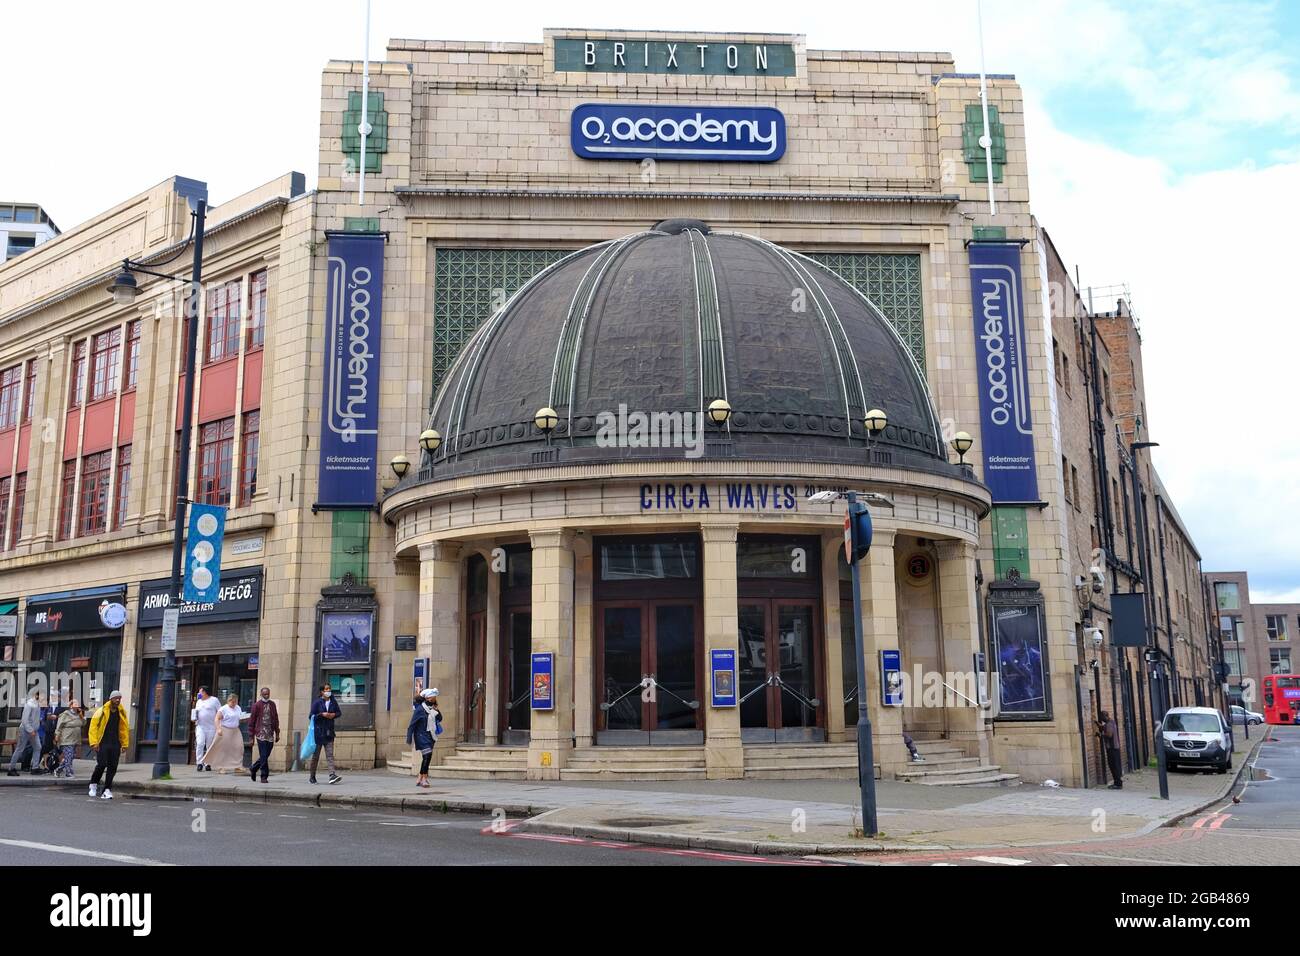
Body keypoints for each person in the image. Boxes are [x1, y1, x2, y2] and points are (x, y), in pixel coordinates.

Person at [88, 690, 130, 800]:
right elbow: (93, 727)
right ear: (111, 699)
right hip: (102, 742)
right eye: (116, 698)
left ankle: (107, 789)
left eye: (119, 698)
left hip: (115, 743)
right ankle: (93, 784)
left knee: (113, 767)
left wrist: (125, 744)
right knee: (101, 764)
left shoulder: (122, 712)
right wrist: (94, 742)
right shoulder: (101, 711)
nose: (118, 700)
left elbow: (124, 729)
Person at [201, 694, 248, 773]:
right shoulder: (223, 709)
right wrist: (218, 729)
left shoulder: (238, 708)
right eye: (232, 702)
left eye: (235, 702)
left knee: (238, 748)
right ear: (228, 701)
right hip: (225, 729)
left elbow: (239, 718)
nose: (234, 704)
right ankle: (220, 767)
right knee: (223, 749)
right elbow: (217, 719)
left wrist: (244, 719)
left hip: (235, 730)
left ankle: (238, 766)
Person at [406, 687, 442, 789]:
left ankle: (420, 776)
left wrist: (437, 711)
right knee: (427, 755)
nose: (434, 699)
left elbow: (440, 719)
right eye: (433, 697)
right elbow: (412, 724)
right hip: (421, 736)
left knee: (427, 757)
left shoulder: (433, 708)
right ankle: (425, 779)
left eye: (435, 697)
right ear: (428, 698)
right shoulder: (420, 710)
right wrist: (409, 738)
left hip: (431, 736)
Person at [308, 684, 342, 785]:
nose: (329, 691)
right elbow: (311, 716)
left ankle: (332, 775)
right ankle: (312, 777)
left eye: (330, 689)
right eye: (327, 689)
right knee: (316, 756)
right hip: (318, 733)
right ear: (322, 692)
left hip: (329, 732)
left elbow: (339, 713)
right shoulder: (317, 702)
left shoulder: (333, 701)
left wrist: (333, 715)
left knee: (330, 755)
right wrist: (321, 714)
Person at [247, 687, 280, 783]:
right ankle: (264, 776)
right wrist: (251, 737)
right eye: (264, 694)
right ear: (261, 694)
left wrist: (277, 733)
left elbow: (276, 719)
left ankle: (253, 768)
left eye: (268, 694)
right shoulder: (256, 705)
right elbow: (252, 721)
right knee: (264, 754)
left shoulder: (272, 704)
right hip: (260, 733)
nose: (266, 696)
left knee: (266, 754)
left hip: (270, 733)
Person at [6, 690, 42, 776]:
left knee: (38, 747)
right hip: (26, 730)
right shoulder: (29, 704)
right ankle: (11, 769)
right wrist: (30, 730)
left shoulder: (37, 704)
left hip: (33, 730)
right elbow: (24, 720)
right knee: (20, 749)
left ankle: (35, 768)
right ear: (37, 695)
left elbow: (33, 717)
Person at [191, 687, 221, 771]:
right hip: (200, 726)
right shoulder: (198, 702)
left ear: (205, 692)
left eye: (200, 692)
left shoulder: (214, 700)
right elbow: (196, 712)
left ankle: (208, 763)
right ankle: (199, 763)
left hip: (211, 726)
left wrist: (219, 724)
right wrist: (194, 718)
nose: (199, 694)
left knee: (209, 745)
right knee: (200, 743)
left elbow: (220, 711)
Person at [54, 699, 86, 778]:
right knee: (69, 755)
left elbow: (84, 723)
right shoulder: (65, 714)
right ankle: (69, 773)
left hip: (76, 739)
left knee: (70, 756)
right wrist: (57, 735)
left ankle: (58, 770)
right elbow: (59, 725)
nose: (77, 705)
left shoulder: (79, 715)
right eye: (75, 703)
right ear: (71, 705)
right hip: (67, 738)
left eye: (77, 704)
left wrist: (82, 716)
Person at [1098, 709, 1122, 789]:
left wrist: (1101, 735)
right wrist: (1097, 724)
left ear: (1105, 716)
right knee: (1114, 766)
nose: (1101, 719)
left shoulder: (1109, 724)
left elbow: (1109, 735)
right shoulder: (1111, 722)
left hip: (1112, 749)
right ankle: (1117, 782)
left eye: (1102, 717)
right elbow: (1103, 728)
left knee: (1114, 766)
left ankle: (1118, 784)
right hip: (1114, 748)